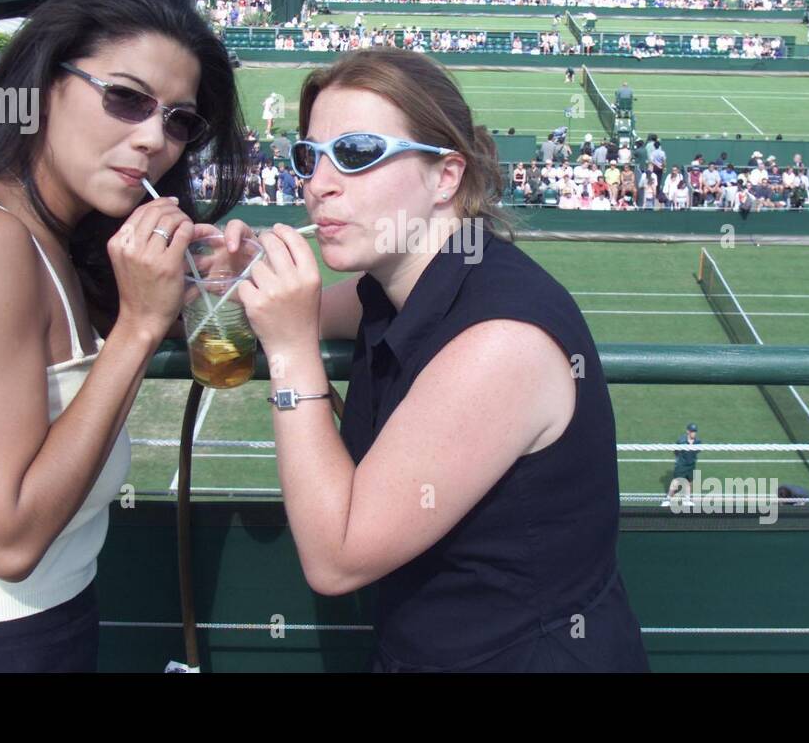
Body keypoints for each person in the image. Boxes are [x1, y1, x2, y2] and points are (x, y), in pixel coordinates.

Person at [0, 0, 248, 672]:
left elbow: (224, 324)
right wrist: (135, 327)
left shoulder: (54, 243)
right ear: (44, 86)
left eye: (178, 121)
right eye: (125, 99)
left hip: (45, 639)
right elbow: (7, 543)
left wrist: (218, 285)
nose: (152, 141)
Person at [225, 48, 649, 672]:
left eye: (357, 153)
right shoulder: (405, 281)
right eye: (308, 156)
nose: (317, 184)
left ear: (446, 176)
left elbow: (336, 557)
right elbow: (291, 310)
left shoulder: (501, 342)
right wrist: (230, 279)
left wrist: (291, 354)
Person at [663, 423, 700, 507]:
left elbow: (697, 451)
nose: (694, 433)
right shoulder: (681, 441)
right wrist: (680, 460)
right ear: (688, 431)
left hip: (691, 465)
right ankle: (668, 499)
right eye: (692, 431)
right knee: (676, 482)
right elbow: (676, 451)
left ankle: (687, 500)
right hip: (681, 465)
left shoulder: (698, 442)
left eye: (695, 431)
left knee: (689, 482)